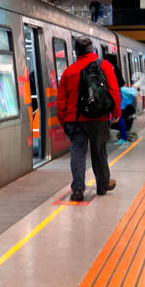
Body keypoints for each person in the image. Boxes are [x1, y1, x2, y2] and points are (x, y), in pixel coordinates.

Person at [56, 36, 121, 202]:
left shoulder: (68, 71)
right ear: (92, 50)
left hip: (74, 119)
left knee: (77, 152)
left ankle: (77, 190)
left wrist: (64, 121)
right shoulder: (104, 66)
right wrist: (116, 112)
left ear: (76, 52)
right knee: (99, 151)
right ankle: (102, 184)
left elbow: (61, 100)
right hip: (98, 118)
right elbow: (113, 91)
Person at [112, 62, 137, 142]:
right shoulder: (120, 90)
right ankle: (124, 136)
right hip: (124, 109)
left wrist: (134, 88)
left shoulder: (122, 89)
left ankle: (124, 137)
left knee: (119, 122)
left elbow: (134, 91)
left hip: (126, 110)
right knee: (119, 122)